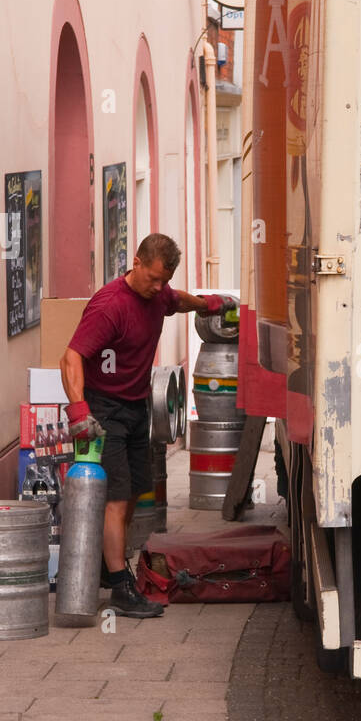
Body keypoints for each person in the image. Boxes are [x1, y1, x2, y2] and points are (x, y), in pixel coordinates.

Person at [60, 232, 236, 617]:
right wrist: (79, 412)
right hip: (103, 410)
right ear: (135, 262)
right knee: (117, 497)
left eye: (164, 280)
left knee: (135, 493)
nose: (158, 287)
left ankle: (109, 570)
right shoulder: (109, 306)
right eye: (153, 278)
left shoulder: (159, 294)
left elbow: (179, 301)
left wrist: (210, 304)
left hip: (135, 404)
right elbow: (71, 357)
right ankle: (121, 588)